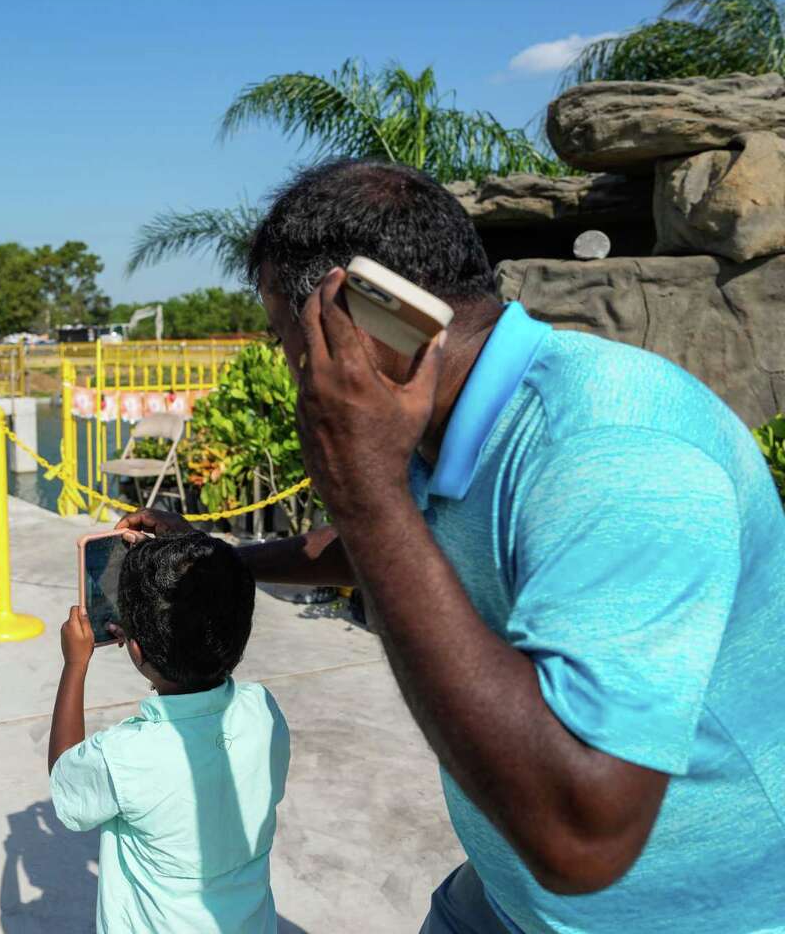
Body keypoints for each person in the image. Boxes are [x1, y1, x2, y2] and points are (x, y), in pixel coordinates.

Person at [119, 159, 785, 933]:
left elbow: (583, 840)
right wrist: (227, 557)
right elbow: (412, 539)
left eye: (283, 337)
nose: (290, 364)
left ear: (349, 319)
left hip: (671, 914)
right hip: (506, 894)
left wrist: (366, 493)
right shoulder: (457, 411)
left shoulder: (614, 453)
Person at [48, 531, 290, 933]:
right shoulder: (263, 712)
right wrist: (175, 561)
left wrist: (75, 665)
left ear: (134, 648)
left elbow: (66, 777)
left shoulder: (125, 756)